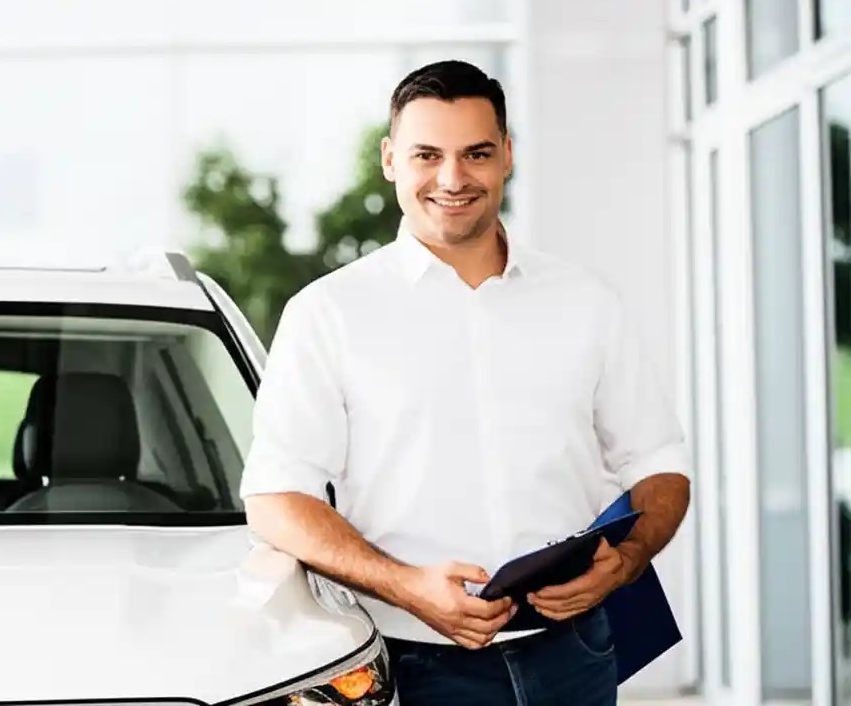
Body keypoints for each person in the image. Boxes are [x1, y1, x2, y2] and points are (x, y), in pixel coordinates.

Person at [238, 60, 692, 705]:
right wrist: (405, 585)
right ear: (391, 159)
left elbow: (658, 460)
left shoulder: (587, 302)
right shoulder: (328, 312)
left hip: (576, 654)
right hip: (409, 663)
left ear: (507, 155)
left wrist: (629, 559)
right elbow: (277, 498)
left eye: (476, 153)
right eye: (428, 154)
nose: (452, 179)